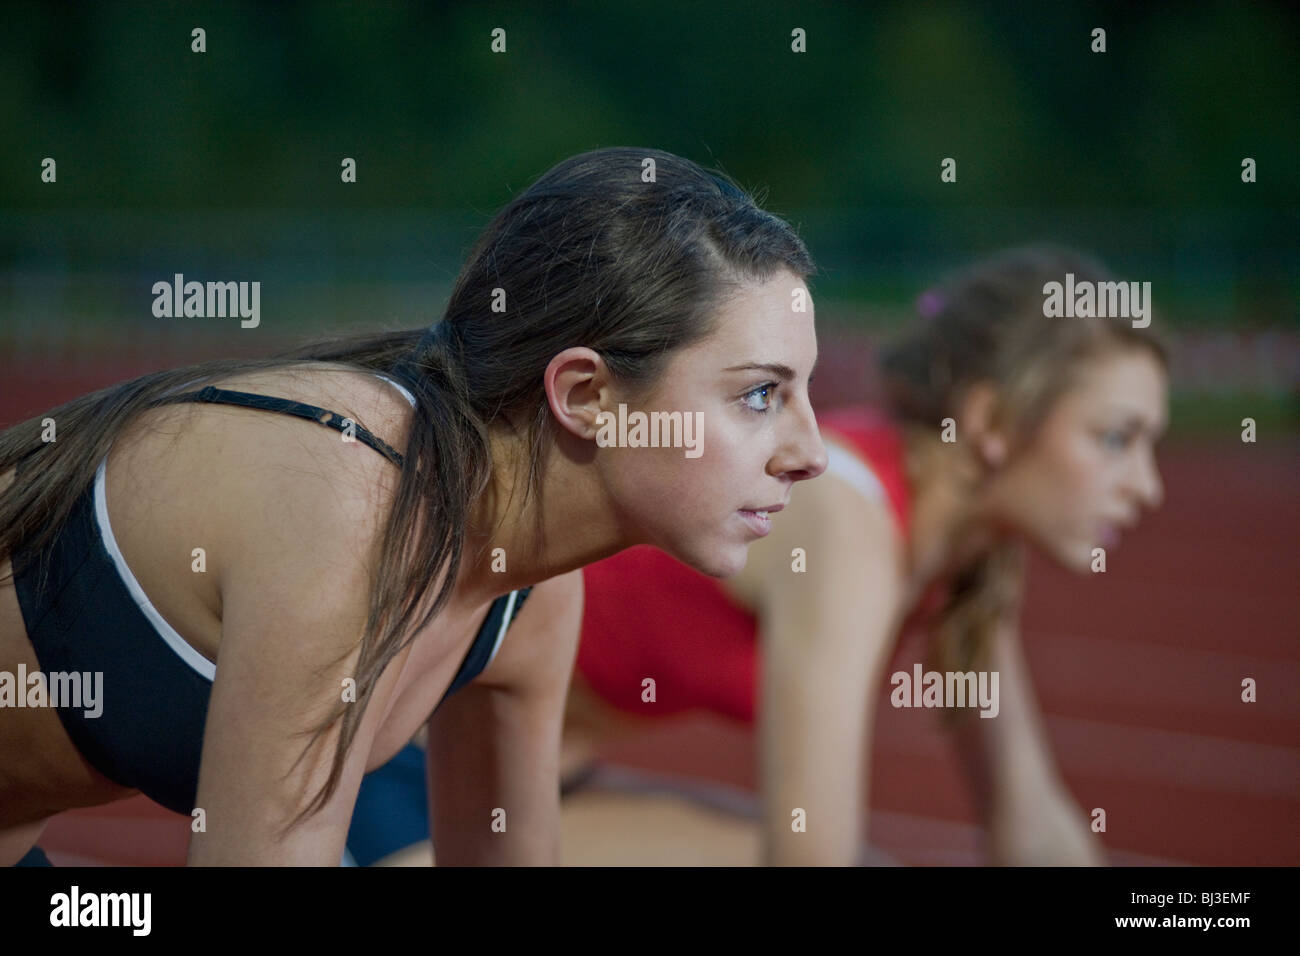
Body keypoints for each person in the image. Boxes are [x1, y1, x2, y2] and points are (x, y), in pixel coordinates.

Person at [0, 146, 827, 866]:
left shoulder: (530, 594)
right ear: (585, 394)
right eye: (759, 395)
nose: (812, 452)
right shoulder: (354, 505)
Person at [567, 244, 1169, 865]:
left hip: (557, 778)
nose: (1147, 486)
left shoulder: (972, 551)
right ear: (991, 420)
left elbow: (1031, 820)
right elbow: (809, 858)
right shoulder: (846, 518)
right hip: (479, 778)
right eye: (1115, 438)